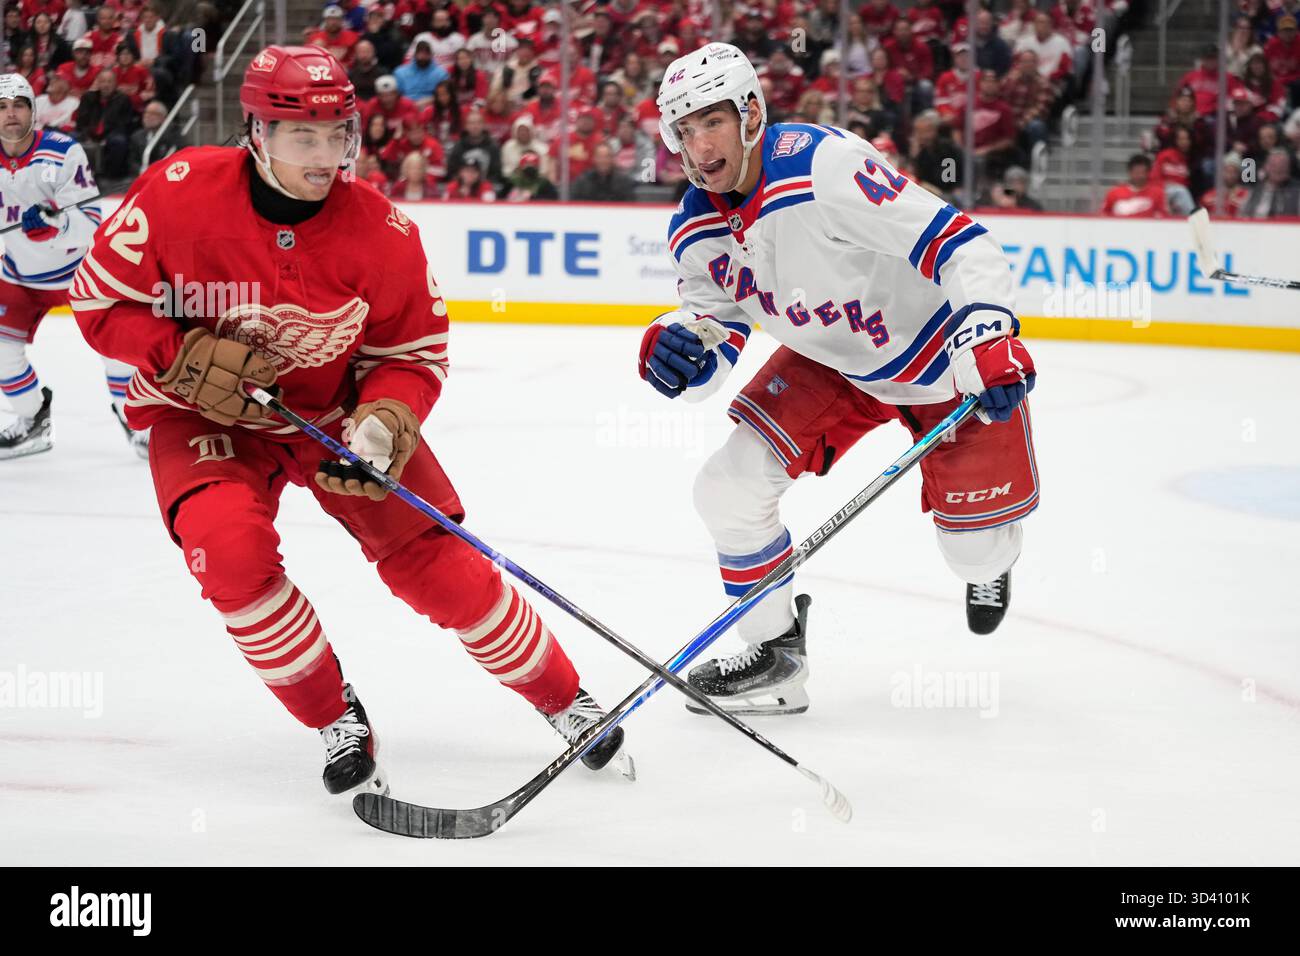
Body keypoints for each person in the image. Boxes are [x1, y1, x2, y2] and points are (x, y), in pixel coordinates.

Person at [69, 45, 631, 796]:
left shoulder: (383, 233)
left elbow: (415, 354)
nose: (327, 155)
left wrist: (383, 422)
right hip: (202, 415)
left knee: (445, 571)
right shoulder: (177, 194)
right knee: (229, 555)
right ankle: (336, 718)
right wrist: (174, 353)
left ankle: (565, 698)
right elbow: (100, 299)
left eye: (340, 134)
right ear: (258, 133)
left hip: (332, 413)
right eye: (306, 137)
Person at [639, 43, 1039, 714]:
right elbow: (715, 326)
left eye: (709, 121)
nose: (697, 144)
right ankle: (775, 657)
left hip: (941, 362)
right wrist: (680, 348)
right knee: (727, 489)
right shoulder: (696, 224)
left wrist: (987, 334)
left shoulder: (822, 167)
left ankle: (990, 564)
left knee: (971, 555)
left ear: (751, 114)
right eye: (683, 129)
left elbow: (960, 242)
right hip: (832, 363)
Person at [0, 75, 146, 461]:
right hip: (16, 275)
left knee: (115, 350)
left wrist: (54, 224)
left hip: (78, 273)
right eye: (1, 107)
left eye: (18, 105)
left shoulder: (62, 151)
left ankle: (137, 422)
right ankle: (32, 420)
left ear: (33, 110)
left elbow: (92, 222)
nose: (10, 114)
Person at [1101, 153, 1166, 216]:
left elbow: (1163, 217)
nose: (1140, 176)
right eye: (1137, 172)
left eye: (1143, 172)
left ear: (1148, 173)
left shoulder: (1158, 193)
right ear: (1130, 172)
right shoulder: (1114, 193)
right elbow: (1103, 214)